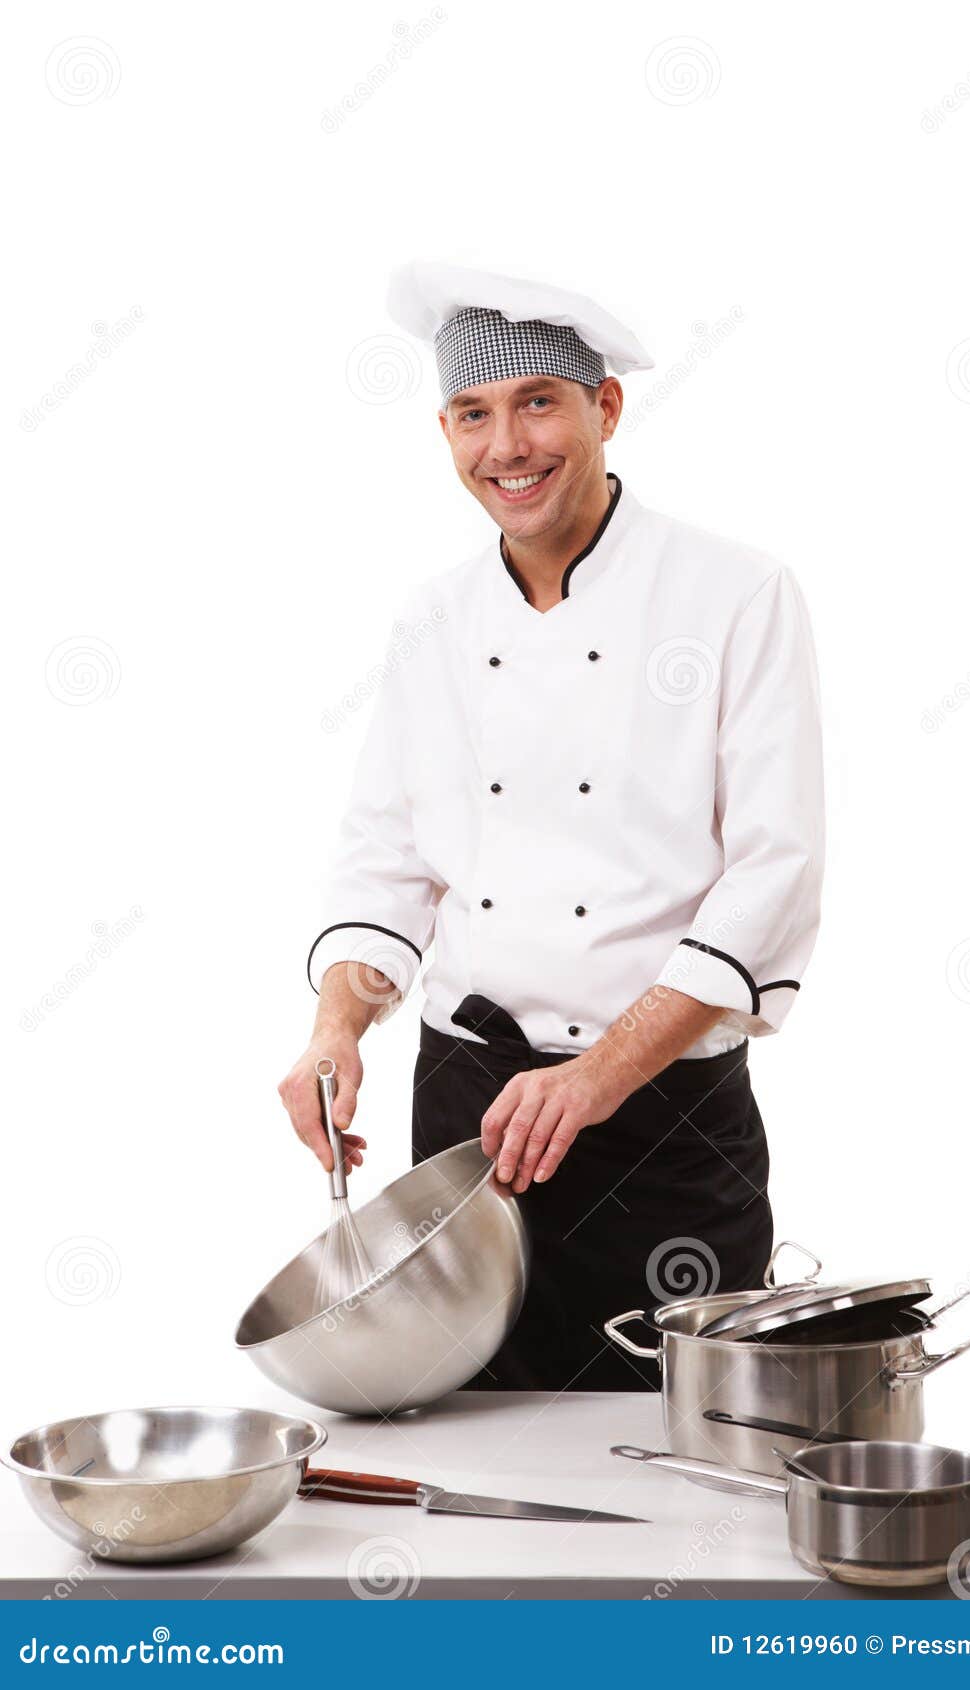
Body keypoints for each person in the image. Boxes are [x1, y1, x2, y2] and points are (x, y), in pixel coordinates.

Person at [277, 259, 825, 1390]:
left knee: (682, 1447)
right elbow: (386, 862)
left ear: (604, 408)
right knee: (465, 1433)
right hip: (471, 1124)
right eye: (474, 414)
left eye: (537, 402)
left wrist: (596, 1077)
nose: (506, 447)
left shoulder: (735, 594)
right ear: (444, 430)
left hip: (664, 1124)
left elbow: (771, 878)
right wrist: (337, 1029)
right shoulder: (431, 620)